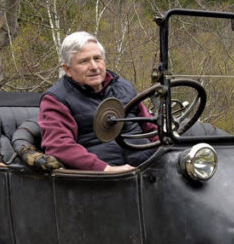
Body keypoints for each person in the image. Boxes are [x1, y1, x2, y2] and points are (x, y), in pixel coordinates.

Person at [39, 31, 157, 172]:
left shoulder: (124, 87)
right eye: (84, 61)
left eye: (97, 59)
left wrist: (165, 150)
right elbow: (59, 145)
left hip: (149, 164)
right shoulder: (56, 99)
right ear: (67, 69)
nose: (94, 67)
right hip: (102, 178)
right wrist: (105, 169)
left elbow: (151, 126)